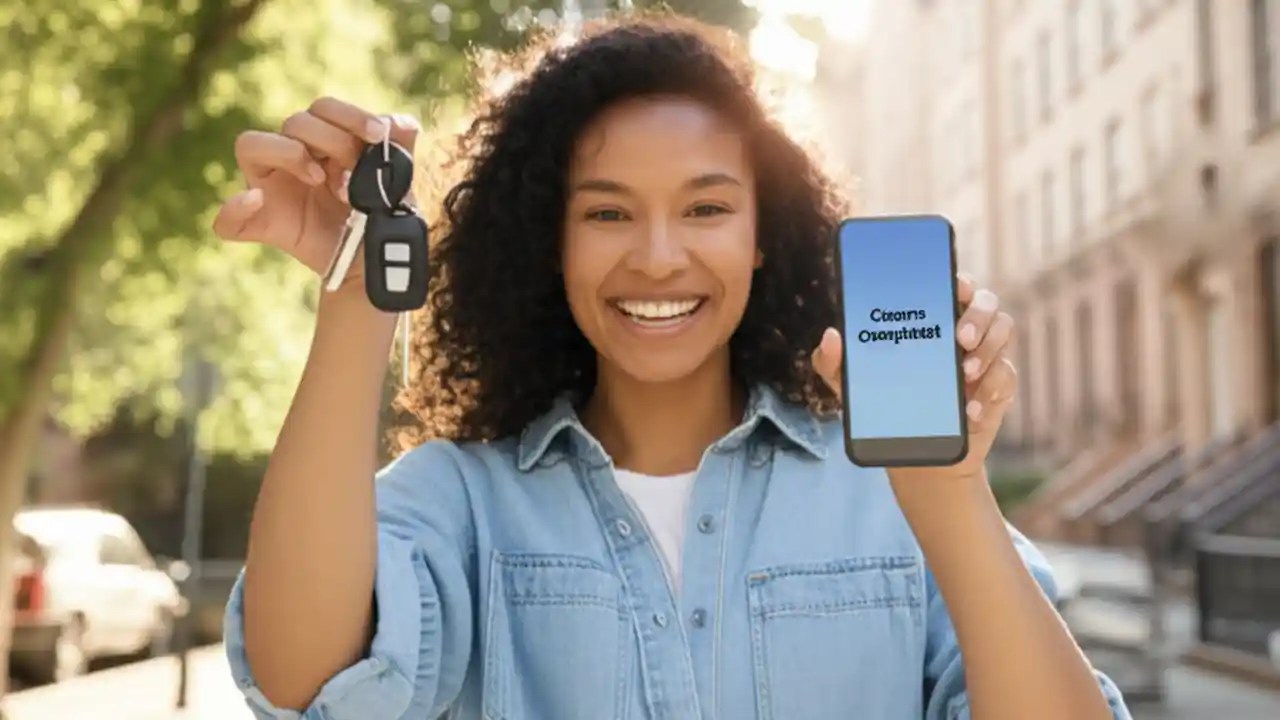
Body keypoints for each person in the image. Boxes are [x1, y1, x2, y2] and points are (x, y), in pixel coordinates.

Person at [213, 13, 1132, 720]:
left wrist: (955, 493)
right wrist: (358, 297)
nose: (658, 258)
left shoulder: (896, 491)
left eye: (705, 209)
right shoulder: (463, 498)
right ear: (553, 242)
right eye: (608, 214)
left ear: (763, 235)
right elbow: (303, 681)